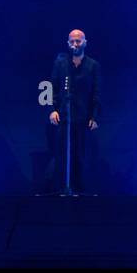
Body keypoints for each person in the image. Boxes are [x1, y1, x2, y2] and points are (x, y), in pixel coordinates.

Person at [47, 29, 100, 195]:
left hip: (83, 117)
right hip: (64, 115)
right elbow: (51, 87)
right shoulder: (61, 64)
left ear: (85, 42)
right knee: (62, 153)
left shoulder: (93, 65)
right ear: (68, 43)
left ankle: (80, 189)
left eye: (78, 41)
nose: (75, 44)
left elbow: (97, 92)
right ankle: (61, 188)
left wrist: (94, 116)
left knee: (81, 154)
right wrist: (52, 110)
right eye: (72, 41)